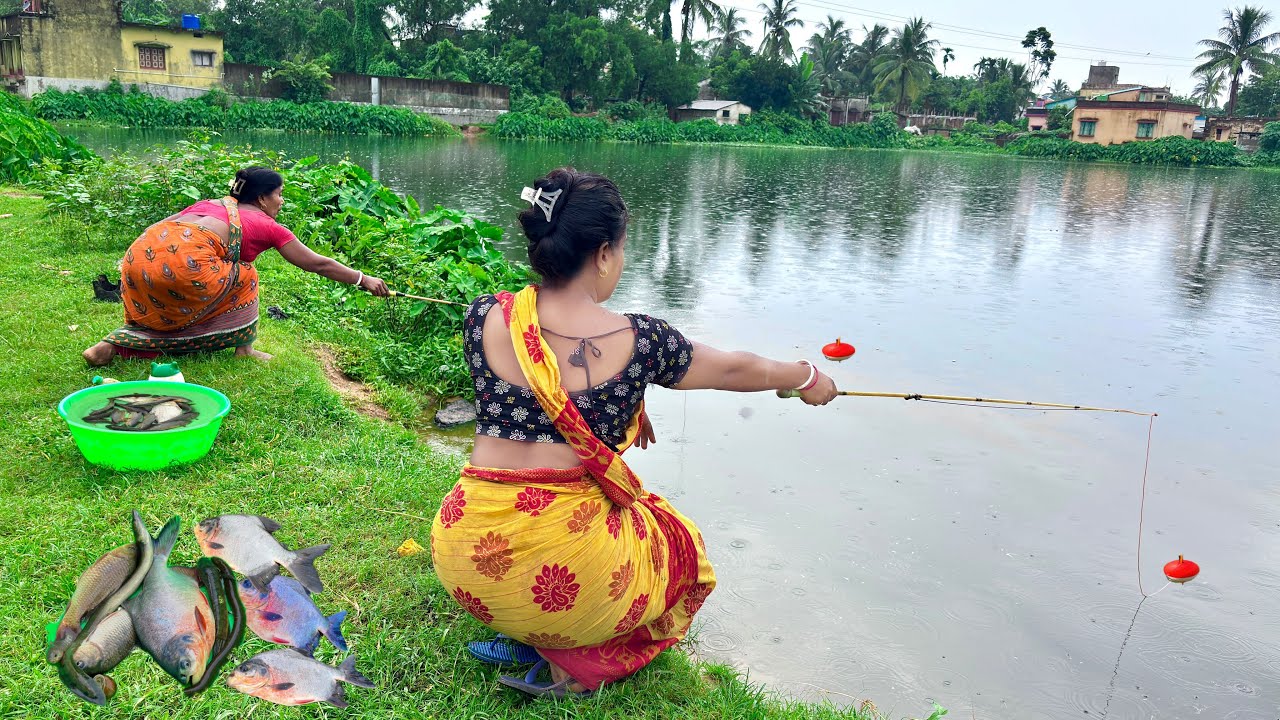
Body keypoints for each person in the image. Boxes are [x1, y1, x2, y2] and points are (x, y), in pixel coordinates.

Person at [430, 168, 837, 698]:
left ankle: (528, 628)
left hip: (463, 556)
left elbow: (535, 396)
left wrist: (625, 405)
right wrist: (806, 376)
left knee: (567, 545)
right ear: (603, 254)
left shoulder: (484, 315)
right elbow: (736, 369)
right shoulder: (639, 340)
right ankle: (572, 658)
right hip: (554, 567)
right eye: (621, 249)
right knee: (678, 545)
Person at [82, 166, 389, 366]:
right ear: (262, 198)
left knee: (212, 275)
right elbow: (317, 263)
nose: (282, 201)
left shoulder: (211, 204)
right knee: (246, 274)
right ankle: (244, 349)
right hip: (180, 267)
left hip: (137, 261)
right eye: (279, 194)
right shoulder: (267, 224)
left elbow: (167, 227)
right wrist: (364, 279)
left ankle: (111, 345)